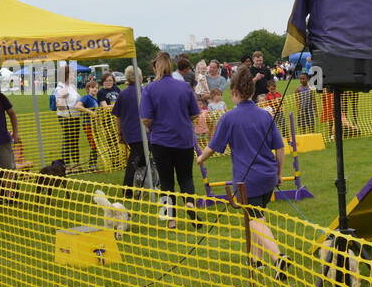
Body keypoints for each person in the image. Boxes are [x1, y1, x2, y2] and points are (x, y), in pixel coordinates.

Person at [195, 66, 284, 269]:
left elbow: (212, 147)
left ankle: (278, 257)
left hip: (247, 181)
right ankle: (256, 261)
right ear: (251, 92)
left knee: (254, 219)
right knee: (257, 215)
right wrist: (279, 173)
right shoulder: (265, 115)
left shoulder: (229, 118)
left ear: (235, 92)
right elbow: (280, 148)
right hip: (268, 176)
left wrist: (200, 159)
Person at [139, 52, 200, 228]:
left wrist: (153, 127)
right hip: (184, 139)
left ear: (154, 67)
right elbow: (195, 113)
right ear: (171, 66)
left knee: (166, 181)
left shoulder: (150, 89)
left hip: (161, 140)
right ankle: (189, 202)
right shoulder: (184, 87)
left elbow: (145, 118)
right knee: (186, 177)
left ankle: (170, 219)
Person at [113, 66, 146, 194]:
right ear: (139, 77)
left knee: (141, 160)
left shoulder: (123, 94)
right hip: (142, 133)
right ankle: (127, 188)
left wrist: (120, 133)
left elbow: (118, 117)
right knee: (135, 160)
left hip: (129, 133)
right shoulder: (144, 92)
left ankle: (143, 185)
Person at [54, 64, 81, 168]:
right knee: (68, 140)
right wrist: (61, 97)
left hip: (75, 117)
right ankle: (66, 165)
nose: (74, 74)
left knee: (75, 140)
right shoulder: (60, 87)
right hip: (66, 118)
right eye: (72, 72)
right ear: (66, 74)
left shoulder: (72, 86)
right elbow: (59, 106)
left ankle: (76, 164)